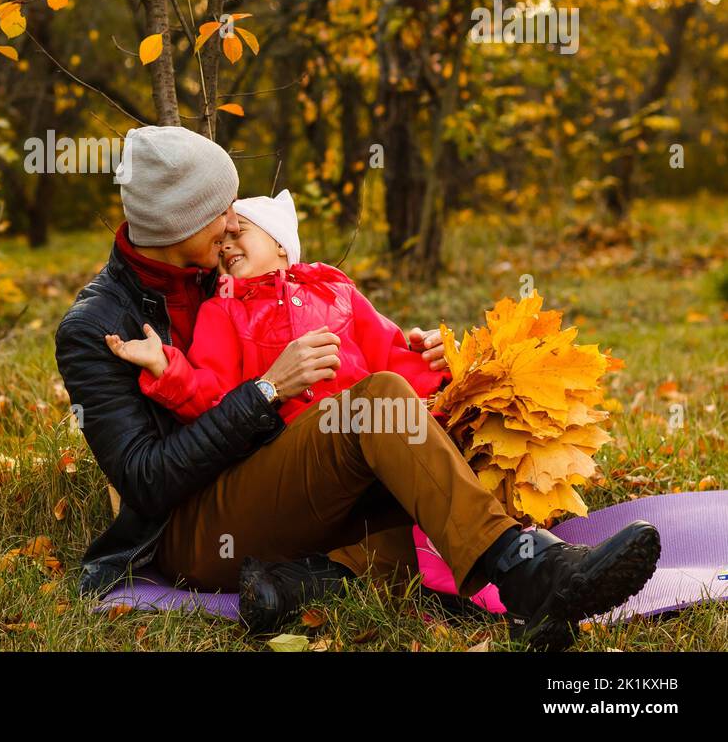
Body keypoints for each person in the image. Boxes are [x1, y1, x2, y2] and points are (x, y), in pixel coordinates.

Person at [54, 125, 660, 649]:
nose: (235, 220)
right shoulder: (96, 328)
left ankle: (325, 583)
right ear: (179, 220)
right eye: (222, 210)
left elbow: (345, 338)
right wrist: (267, 390)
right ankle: (526, 572)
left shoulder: (225, 267)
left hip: (286, 486)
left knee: (419, 443)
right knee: (377, 407)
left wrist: (429, 356)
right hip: (194, 531)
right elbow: (147, 481)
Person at [103, 188, 449, 428]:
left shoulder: (336, 292)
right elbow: (213, 393)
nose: (226, 247)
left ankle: (432, 528)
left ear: (282, 244)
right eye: (221, 242)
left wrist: (442, 370)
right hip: (295, 442)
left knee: (414, 412)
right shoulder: (223, 310)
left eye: (240, 234)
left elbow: (389, 357)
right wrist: (166, 367)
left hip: (373, 427)